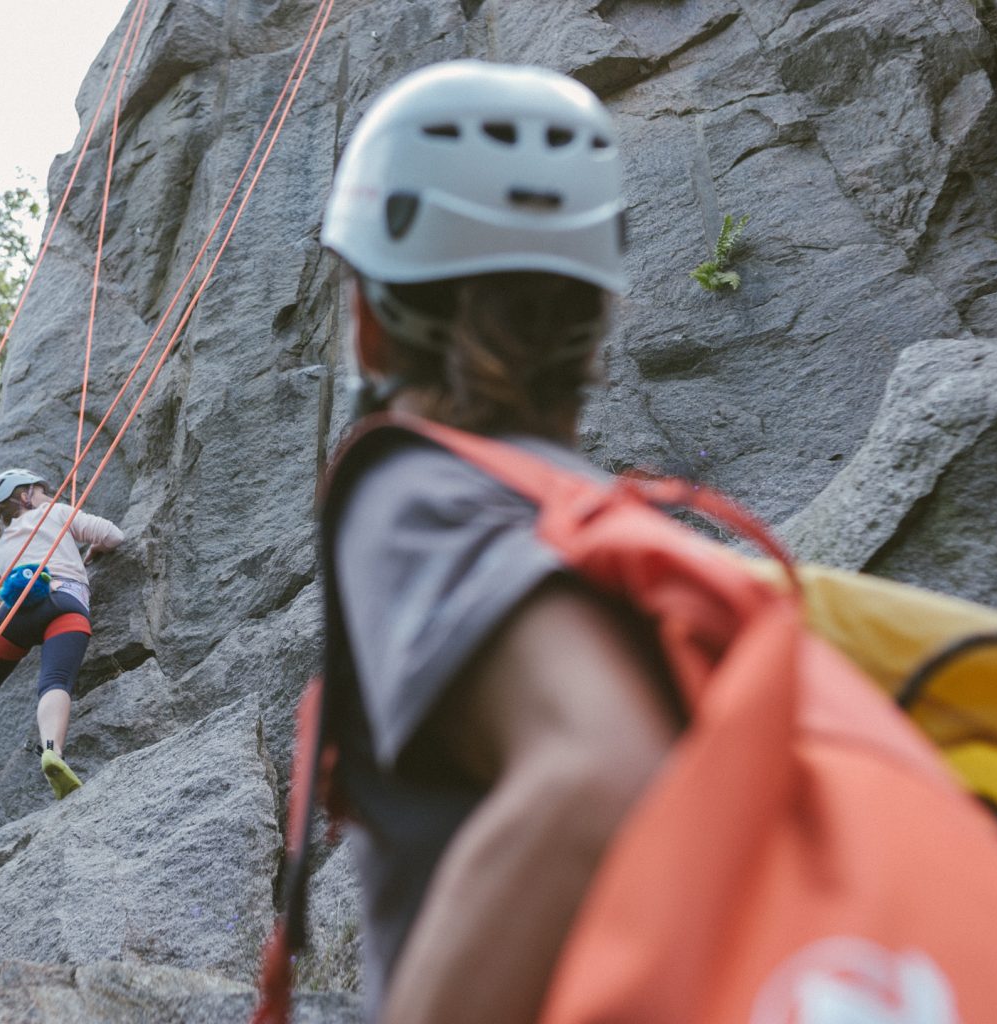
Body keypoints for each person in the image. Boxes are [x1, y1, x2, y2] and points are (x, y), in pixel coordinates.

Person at [317, 61, 678, 1023]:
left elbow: (599, 772)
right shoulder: (607, 521)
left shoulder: (418, 490)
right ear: (600, 319)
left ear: (369, 324)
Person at [0, 468, 125, 819]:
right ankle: (51, 751)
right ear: (25, 496)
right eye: (42, 491)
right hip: (64, 603)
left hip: (12, 619)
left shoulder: (0, 549)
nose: (50, 496)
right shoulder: (59, 513)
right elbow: (114, 535)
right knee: (56, 681)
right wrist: (93, 547)